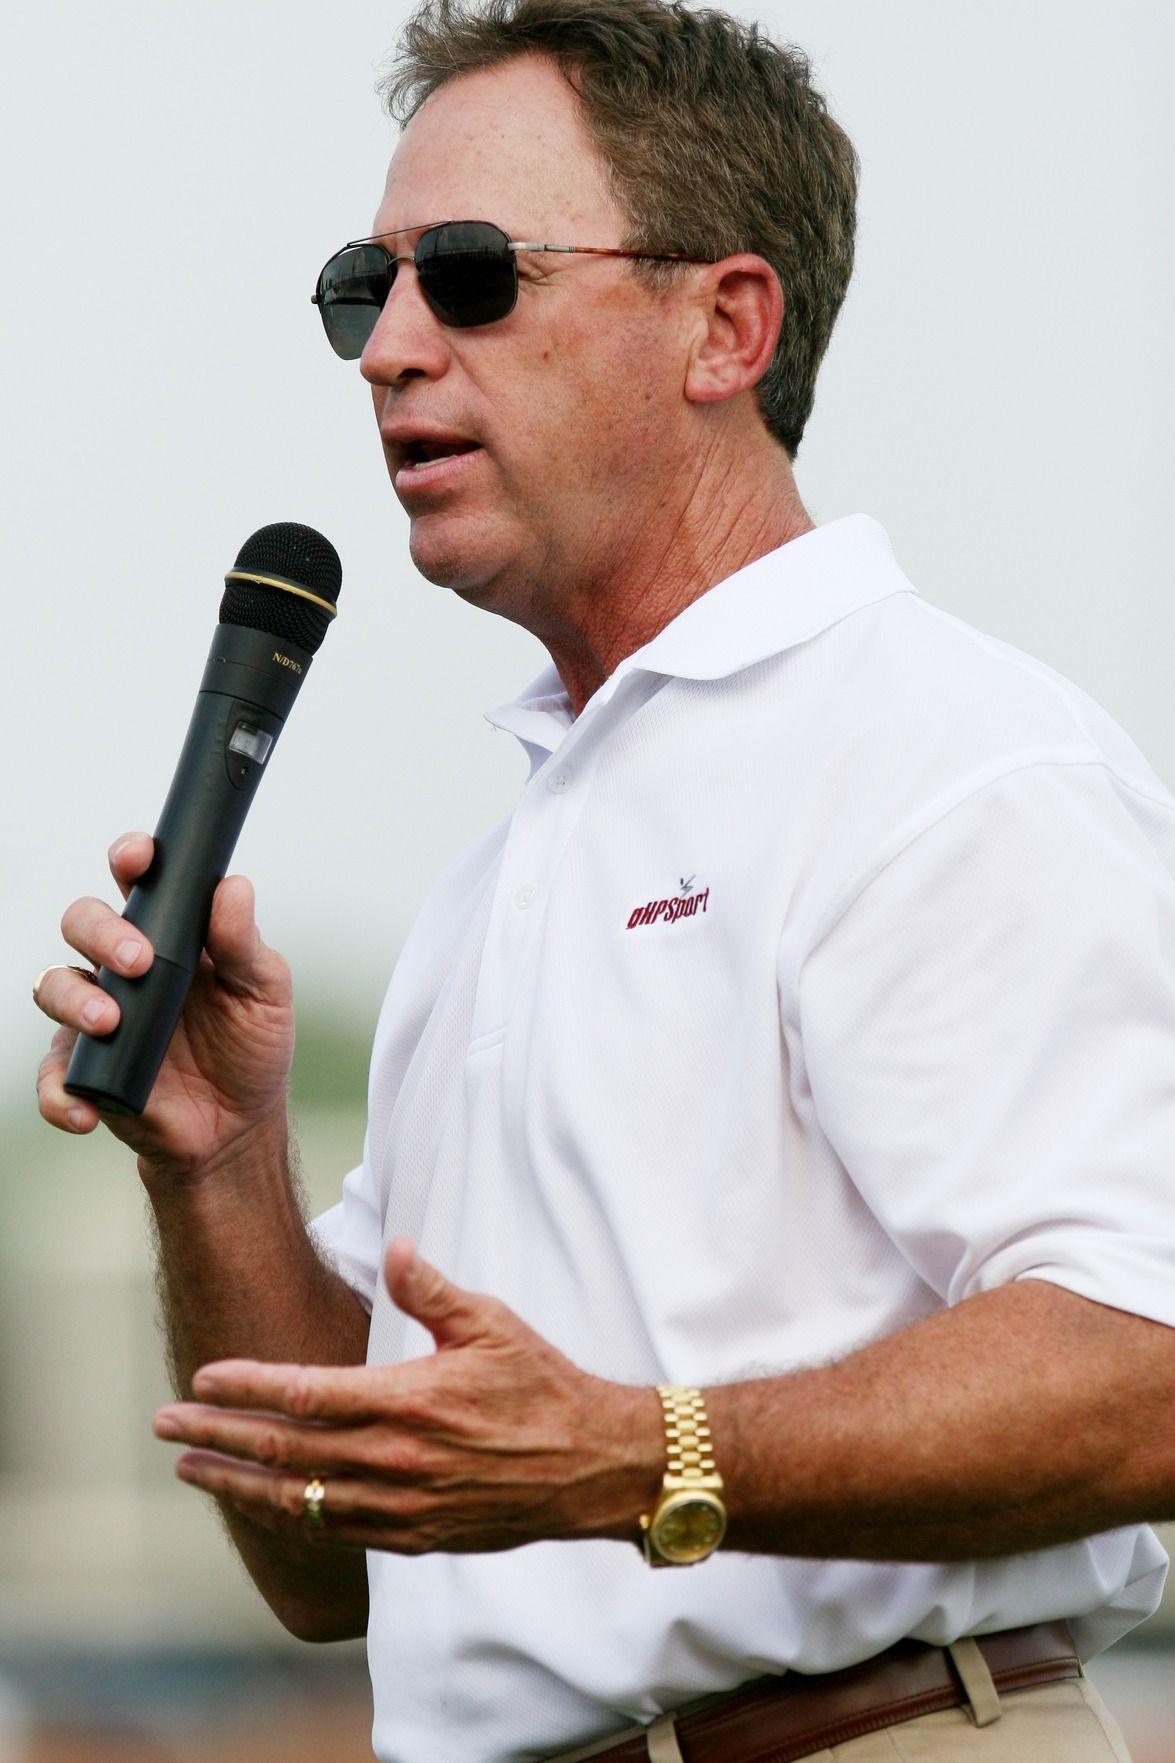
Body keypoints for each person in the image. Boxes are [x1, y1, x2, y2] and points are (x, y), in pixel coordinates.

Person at [33, 2, 1175, 1759]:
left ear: (725, 325)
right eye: (367, 285)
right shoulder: (504, 874)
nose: (389, 348)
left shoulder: (945, 756)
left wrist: (644, 1456)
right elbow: (331, 1566)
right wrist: (224, 1159)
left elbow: (1148, 1360)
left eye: (472, 275)